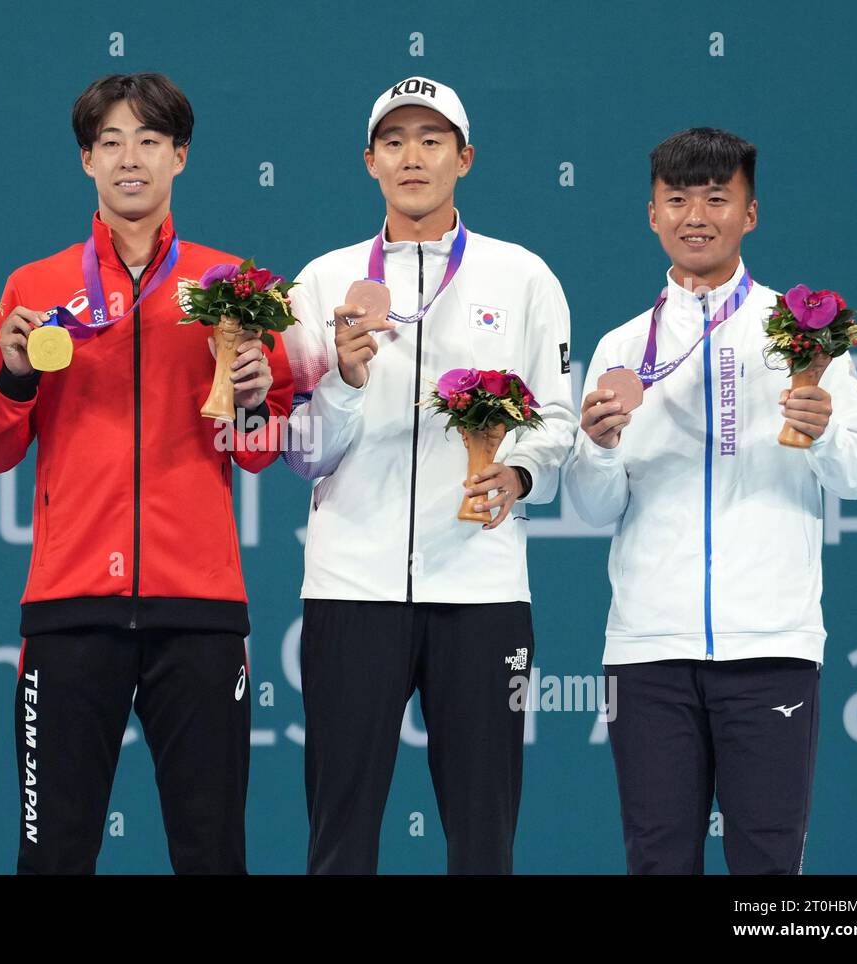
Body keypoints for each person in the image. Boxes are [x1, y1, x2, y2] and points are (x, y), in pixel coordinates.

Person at [0, 72, 294, 874]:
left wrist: (252, 397)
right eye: (109, 142)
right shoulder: (36, 290)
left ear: (180, 155)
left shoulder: (233, 289)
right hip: (70, 607)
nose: (130, 159)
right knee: (51, 858)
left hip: (200, 608)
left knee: (213, 854)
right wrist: (11, 375)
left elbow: (259, 447)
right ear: (86, 162)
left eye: (149, 141)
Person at [563, 127, 857, 874]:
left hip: (771, 646)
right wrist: (602, 448)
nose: (695, 215)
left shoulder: (805, 335)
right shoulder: (619, 348)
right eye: (677, 199)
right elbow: (590, 506)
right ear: (652, 215)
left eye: (716, 197)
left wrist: (828, 432)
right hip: (649, 652)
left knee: (770, 865)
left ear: (751, 213)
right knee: (658, 860)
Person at [281, 76, 577, 873]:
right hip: (352, 589)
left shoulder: (522, 278)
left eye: (432, 140)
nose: (413, 157)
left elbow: (556, 419)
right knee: (339, 840)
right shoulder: (320, 281)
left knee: (484, 841)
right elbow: (303, 450)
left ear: (465, 157)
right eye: (395, 142)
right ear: (369, 161)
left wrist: (514, 476)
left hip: (481, 590)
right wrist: (341, 379)